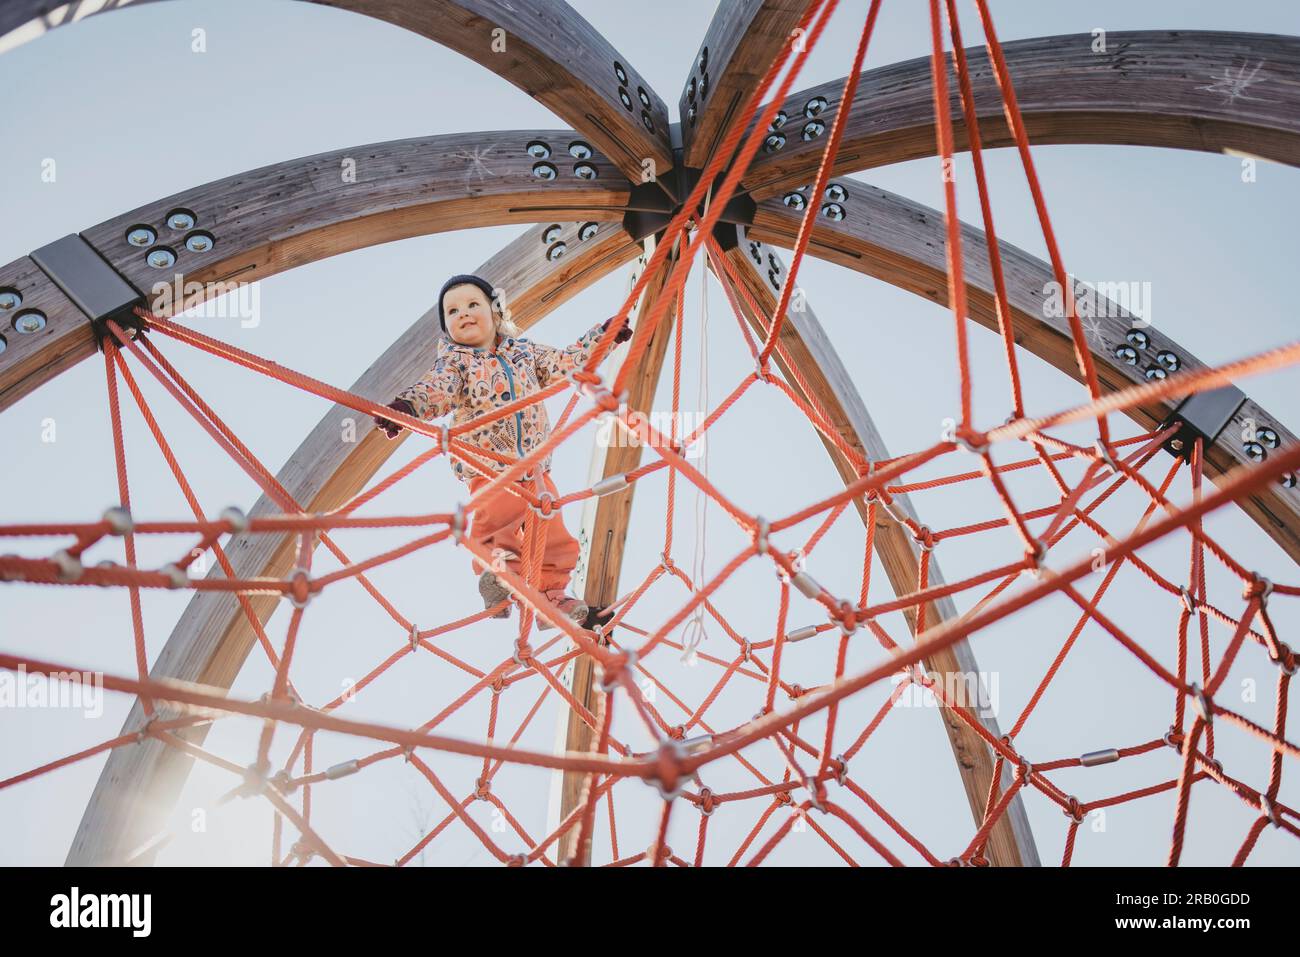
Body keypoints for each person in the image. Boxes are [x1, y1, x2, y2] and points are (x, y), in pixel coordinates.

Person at [373, 273, 632, 629]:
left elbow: (564, 363)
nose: (463, 313)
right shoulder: (456, 363)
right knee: (497, 520)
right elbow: (438, 388)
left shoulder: (525, 353)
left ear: (496, 312)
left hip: (536, 468)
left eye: (473, 304)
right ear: (446, 327)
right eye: (452, 311)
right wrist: (407, 407)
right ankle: (498, 576)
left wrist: (602, 339)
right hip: (488, 466)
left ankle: (553, 597)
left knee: (554, 532)